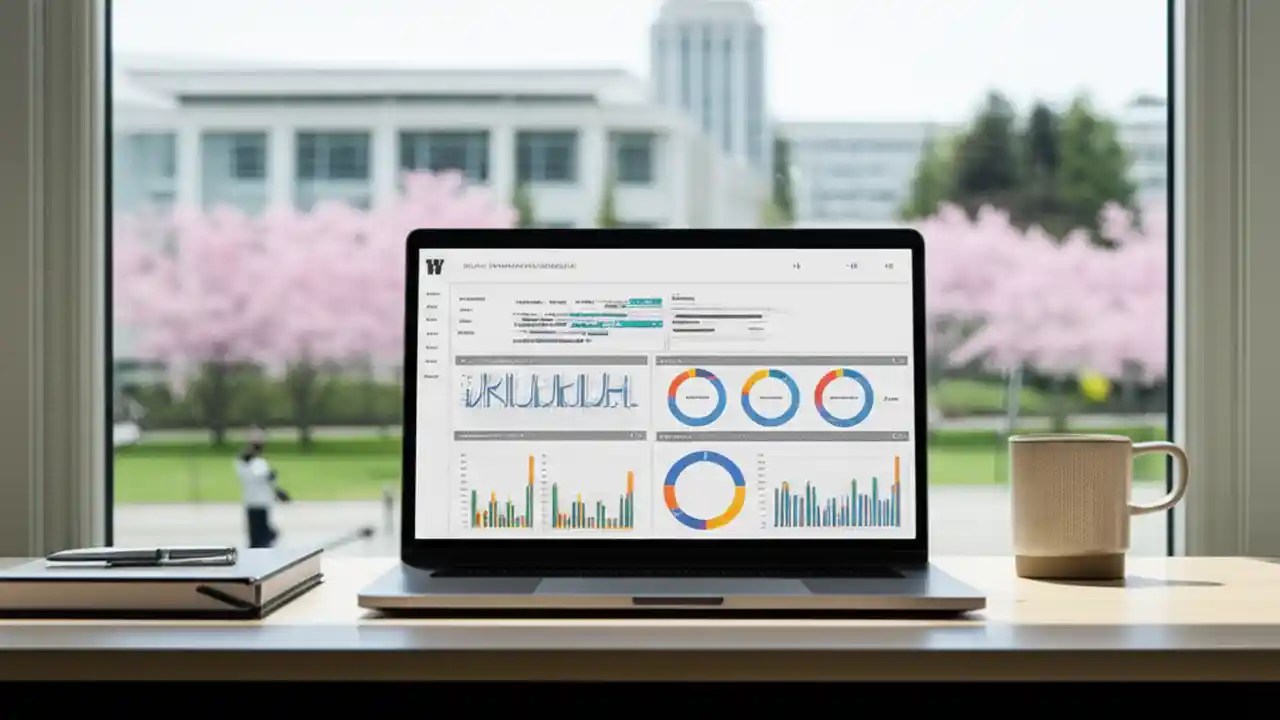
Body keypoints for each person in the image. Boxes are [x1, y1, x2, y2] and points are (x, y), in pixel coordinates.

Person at [234, 433, 291, 548]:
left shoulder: (255, 462)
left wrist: (277, 491)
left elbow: (266, 479)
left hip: (258, 502)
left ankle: (263, 543)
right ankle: (261, 545)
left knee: (260, 533)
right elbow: (263, 477)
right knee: (259, 535)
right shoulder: (252, 463)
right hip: (256, 502)